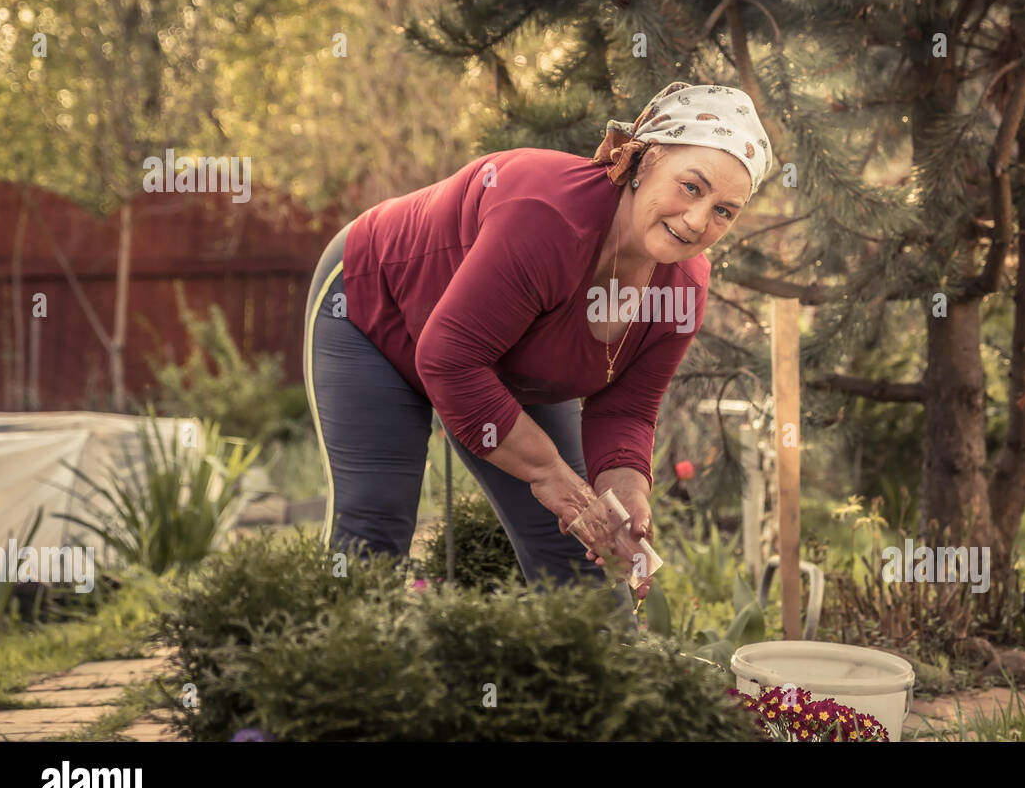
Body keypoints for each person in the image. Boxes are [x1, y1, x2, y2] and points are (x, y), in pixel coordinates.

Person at [302, 81, 772, 604]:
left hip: (491, 360)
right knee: (375, 519)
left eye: (725, 210)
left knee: (579, 549)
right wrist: (552, 477)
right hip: (373, 305)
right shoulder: (548, 216)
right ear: (644, 162)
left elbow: (626, 409)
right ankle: (343, 679)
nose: (697, 220)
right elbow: (450, 359)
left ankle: (615, 680)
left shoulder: (683, 287)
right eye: (691, 186)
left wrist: (628, 493)